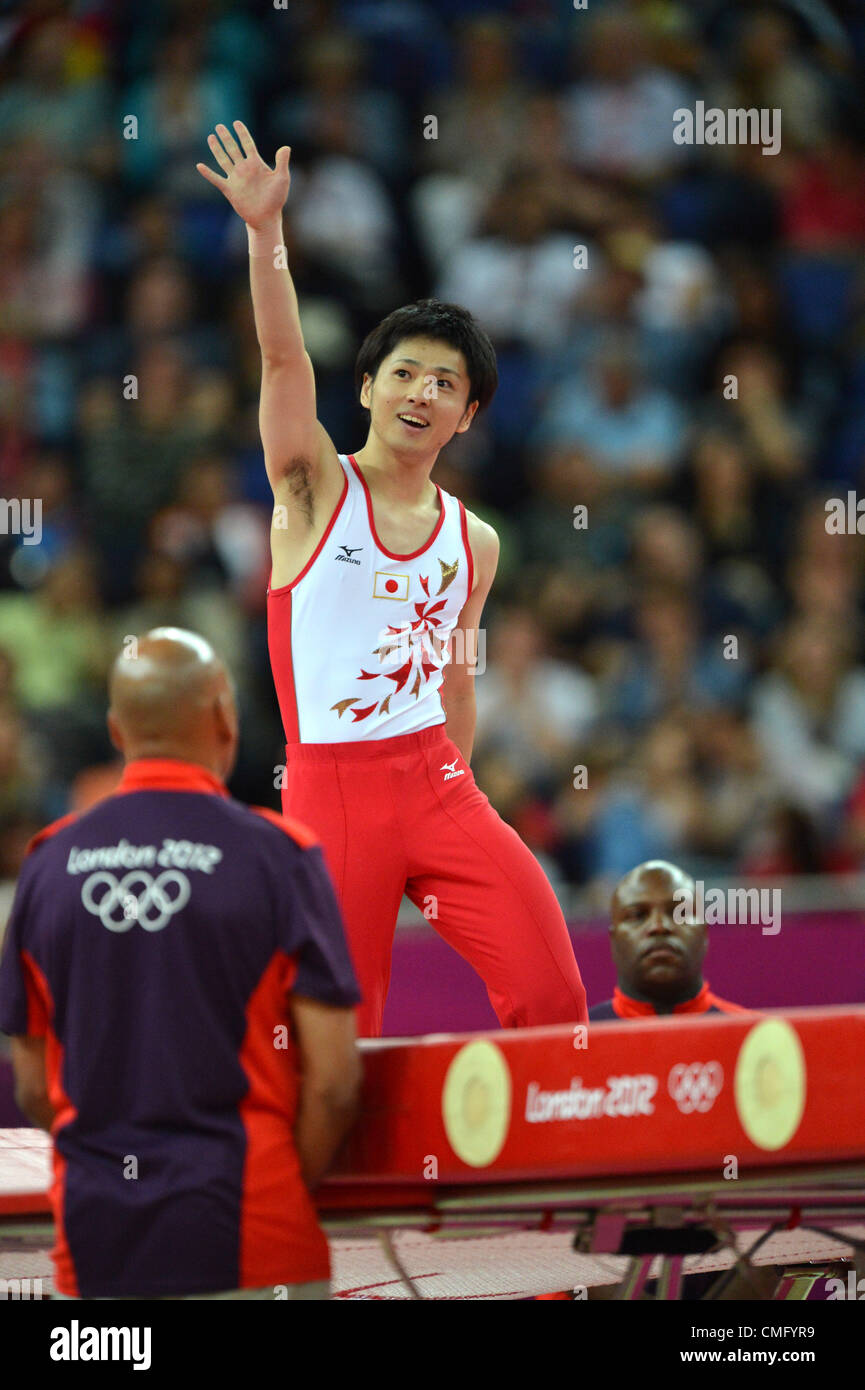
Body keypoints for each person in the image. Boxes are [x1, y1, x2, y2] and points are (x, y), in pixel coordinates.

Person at [196, 122, 588, 1037]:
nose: (420, 393)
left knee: (552, 997)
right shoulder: (310, 488)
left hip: (440, 783)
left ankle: (547, 1176)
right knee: (344, 1034)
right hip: (332, 789)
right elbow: (284, 359)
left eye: (443, 384)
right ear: (367, 386)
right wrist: (266, 234)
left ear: (467, 414)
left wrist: (454, 787)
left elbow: (456, 674)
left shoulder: (475, 542)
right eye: (403, 373)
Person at [0, 628, 361, 1300]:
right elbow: (336, 1082)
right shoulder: (278, 855)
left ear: (115, 729)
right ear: (225, 714)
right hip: (252, 1234)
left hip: (96, 1245)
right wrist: (276, 1180)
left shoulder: (47, 865)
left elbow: (30, 1089)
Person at [589, 859, 746, 1020]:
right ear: (614, 941)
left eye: (680, 913)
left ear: (704, 934)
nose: (659, 926)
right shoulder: (576, 1040)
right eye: (638, 915)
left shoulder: (754, 1037)